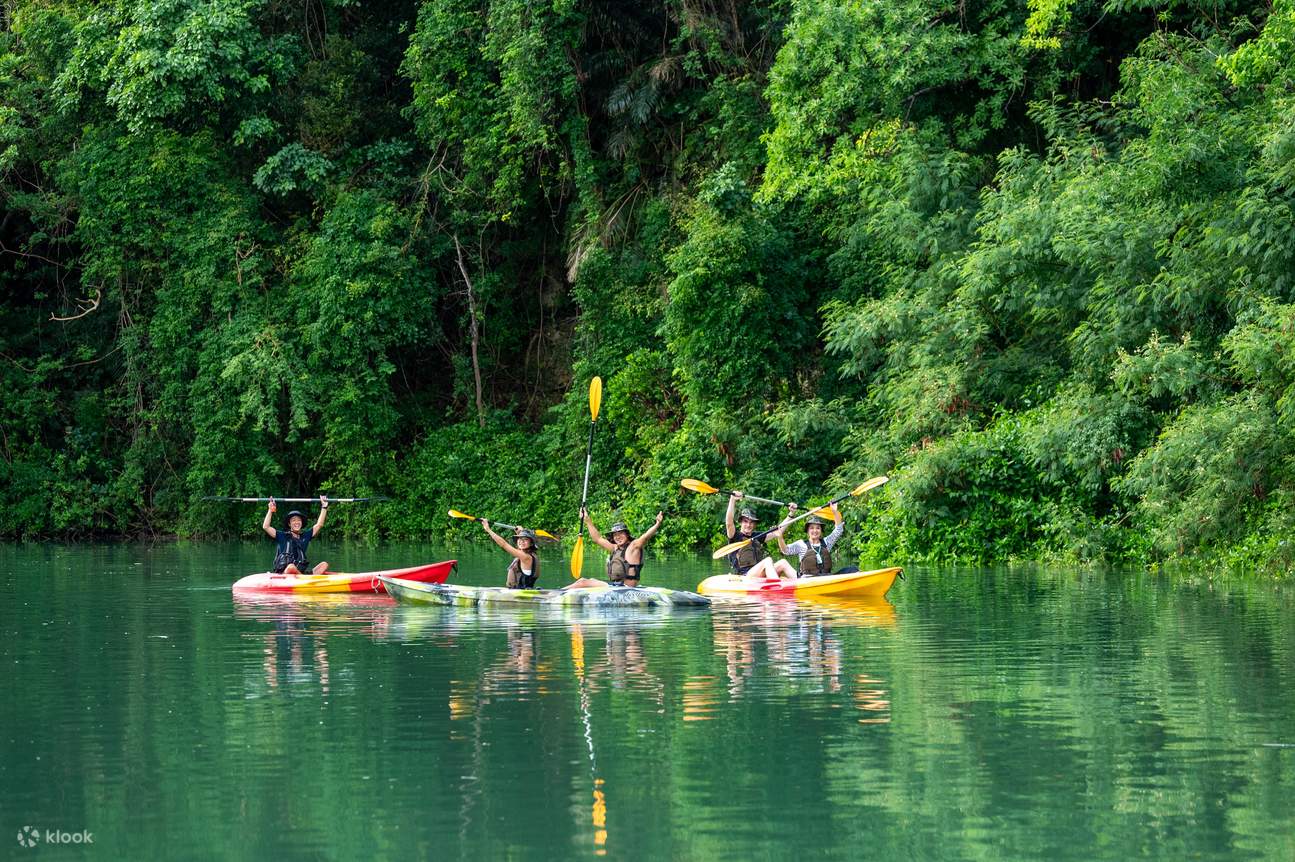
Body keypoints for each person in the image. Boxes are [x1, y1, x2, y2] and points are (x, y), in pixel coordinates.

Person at [567, 508, 665, 589]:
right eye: (615, 535)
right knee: (584, 580)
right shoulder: (615, 548)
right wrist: (587, 520)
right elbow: (597, 539)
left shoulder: (634, 546)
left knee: (583, 582)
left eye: (621, 534)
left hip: (625, 589)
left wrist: (657, 524)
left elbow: (645, 537)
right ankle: (558, 592)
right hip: (617, 587)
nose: (618, 537)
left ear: (627, 535)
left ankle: (555, 594)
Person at [725, 491, 796, 579]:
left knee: (783, 562)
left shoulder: (757, 536)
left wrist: (791, 514)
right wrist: (732, 500)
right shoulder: (735, 536)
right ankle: (776, 585)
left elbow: (778, 531)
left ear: (754, 524)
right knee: (768, 560)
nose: (748, 525)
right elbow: (729, 523)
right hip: (744, 576)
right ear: (740, 523)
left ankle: (801, 582)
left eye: (751, 522)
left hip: (759, 574)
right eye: (745, 521)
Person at [263, 496, 329, 575]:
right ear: (289, 524)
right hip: (285, 573)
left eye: (298, 520)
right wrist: (270, 510)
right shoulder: (282, 536)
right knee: (291, 567)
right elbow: (266, 527)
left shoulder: (305, 536)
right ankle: (305, 579)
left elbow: (319, 525)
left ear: (301, 523)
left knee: (324, 565)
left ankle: (304, 578)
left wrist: (324, 506)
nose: (296, 522)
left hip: (300, 572)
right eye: (293, 520)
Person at [773, 503, 844, 577]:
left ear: (821, 531)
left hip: (825, 577)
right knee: (782, 563)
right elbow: (785, 550)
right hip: (805, 579)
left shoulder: (826, 542)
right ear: (807, 531)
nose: (815, 530)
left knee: (851, 569)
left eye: (818, 528)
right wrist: (780, 537)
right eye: (812, 528)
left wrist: (834, 511)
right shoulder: (801, 544)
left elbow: (838, 530)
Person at [482, 520, 540, 588]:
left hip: (519, 594)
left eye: (525, 539)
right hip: (522, 591)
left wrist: (488, 530)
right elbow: (520, 550)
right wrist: (520, 532)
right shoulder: (530, 554)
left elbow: (504, 544)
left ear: (531, 543)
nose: (521, 541)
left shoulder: (526, 557)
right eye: (520, 539)